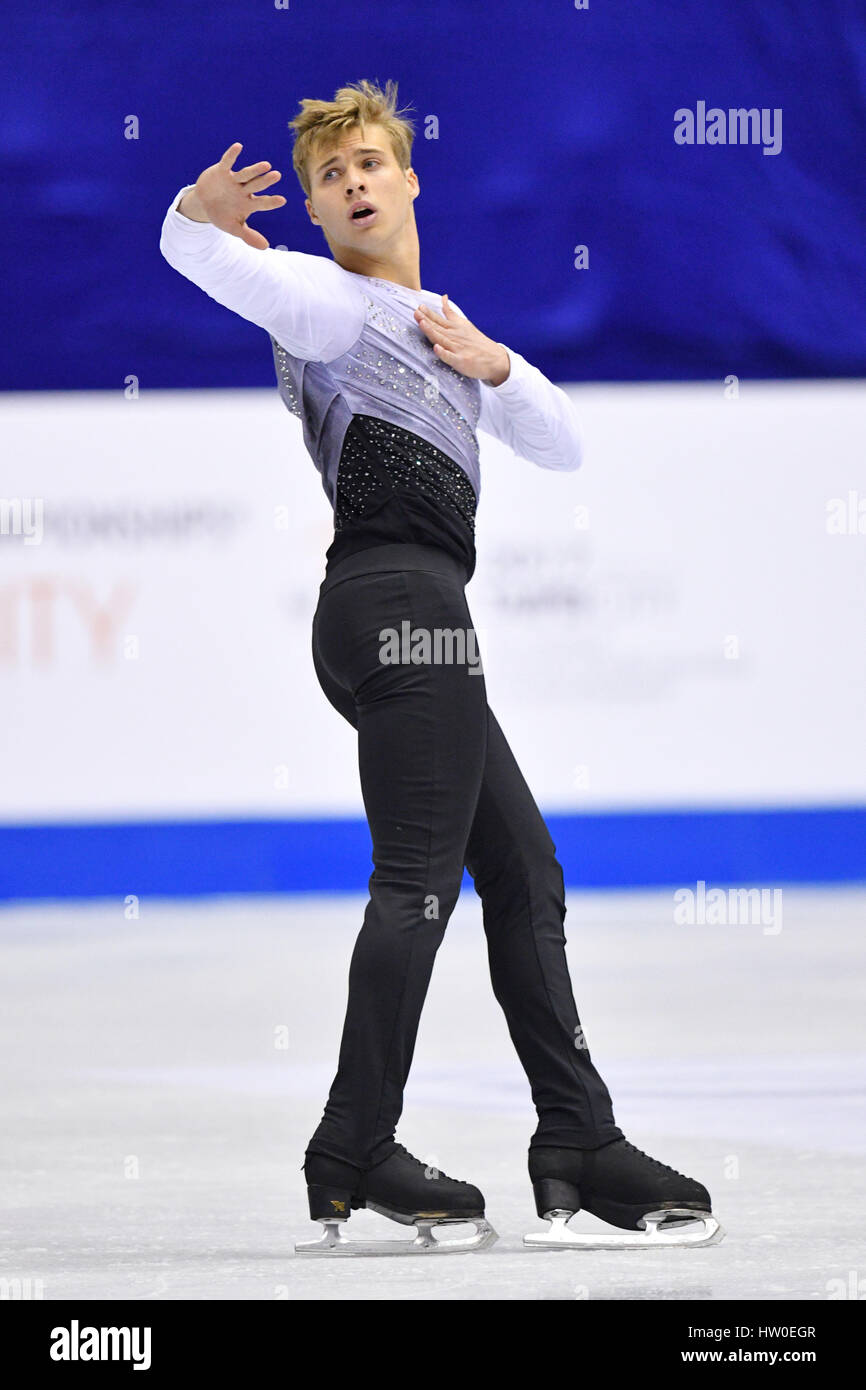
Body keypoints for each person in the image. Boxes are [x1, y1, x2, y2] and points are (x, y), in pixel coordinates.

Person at [159, 78, 722, 1255]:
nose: (353, 181)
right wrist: (194, 213)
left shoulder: (438, 322)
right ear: (314, 211)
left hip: (413, 615)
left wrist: (494, 361)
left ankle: (576, 1138)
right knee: (418, 882)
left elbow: (560, 445)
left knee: (521, 871)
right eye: (329, 176)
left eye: (370, 162)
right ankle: (353, 1142)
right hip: (395, 598)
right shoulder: (320, 300)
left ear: (409, 178)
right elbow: (207, 262)